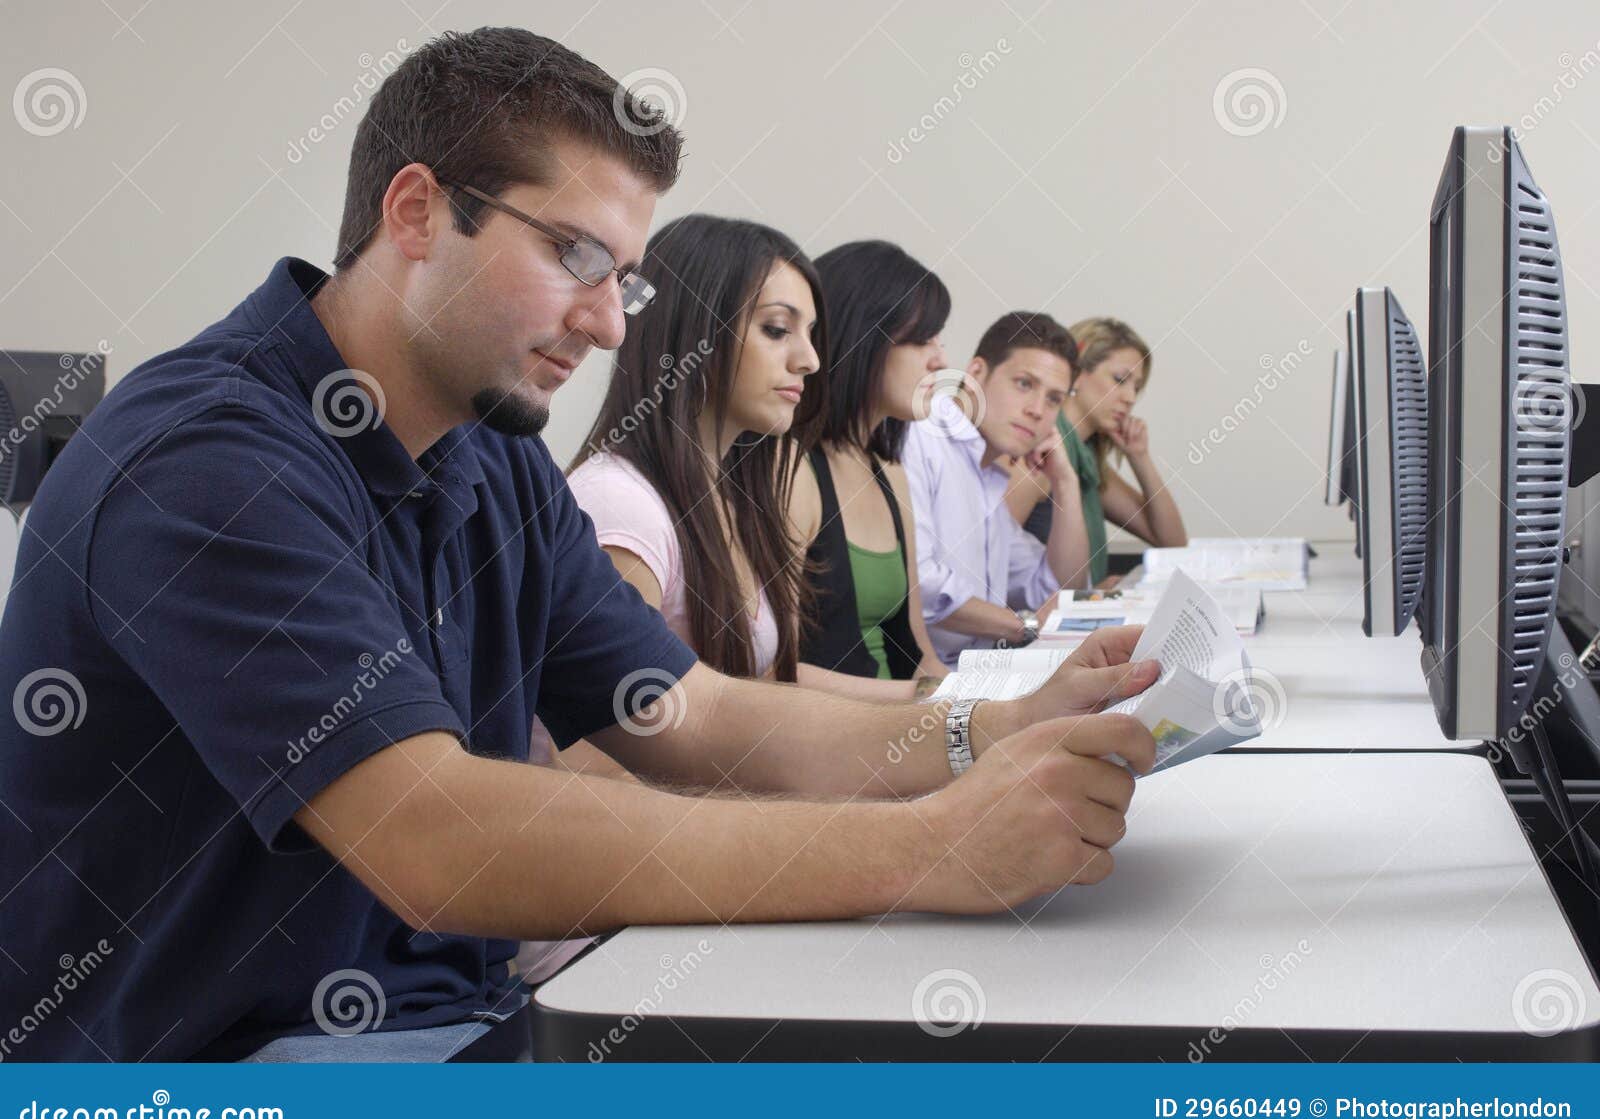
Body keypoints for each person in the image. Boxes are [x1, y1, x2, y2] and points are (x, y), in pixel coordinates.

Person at [0, 27, 1158, 1062]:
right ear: (414, 212)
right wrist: (927, 850)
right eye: (577, 257)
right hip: (208, 1074)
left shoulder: (484, 448)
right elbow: (438, 839)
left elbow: (690, 712)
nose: (609, 322)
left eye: (627, 279)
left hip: (441, 1022)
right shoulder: (205, 463)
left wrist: (985, 733)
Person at [567, 214, 823, 684]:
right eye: (776, 329)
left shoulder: (735, 495)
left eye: (810, 334)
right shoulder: (621, 506)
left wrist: (940, 702)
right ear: (696, 334)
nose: (810, 360)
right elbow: (593, 752)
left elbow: (767, 693)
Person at [788, 240, 953, 701]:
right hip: (838, 743)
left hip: (904, 729)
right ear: (863, 337)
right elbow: (771, 671)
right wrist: (927, 703)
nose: (940, 360)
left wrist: (976, 701)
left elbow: (916, 650)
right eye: (922, 339)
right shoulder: (792, 471)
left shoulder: (888, 470)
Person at [903, 311, 1093, 666]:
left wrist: (1065, 483)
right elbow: (920, 585)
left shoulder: (988, 470)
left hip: (981, 673)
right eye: (1024, 384)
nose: (1037, 410)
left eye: (1054, 399)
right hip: (921, 686)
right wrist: (1024, 626)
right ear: (975, 374)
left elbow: (1056, 593)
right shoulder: (922, 435)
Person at [1010, 317, 1187, 583]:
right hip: (1037, 619)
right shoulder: (1044, 447)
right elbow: (989, 559)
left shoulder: (1085, 459)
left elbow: (1172, 542)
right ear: (1077, 374)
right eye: (1120, 380)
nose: (1130, 398)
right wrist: (1089, 598)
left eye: (1136, 388)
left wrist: (1139, 457)